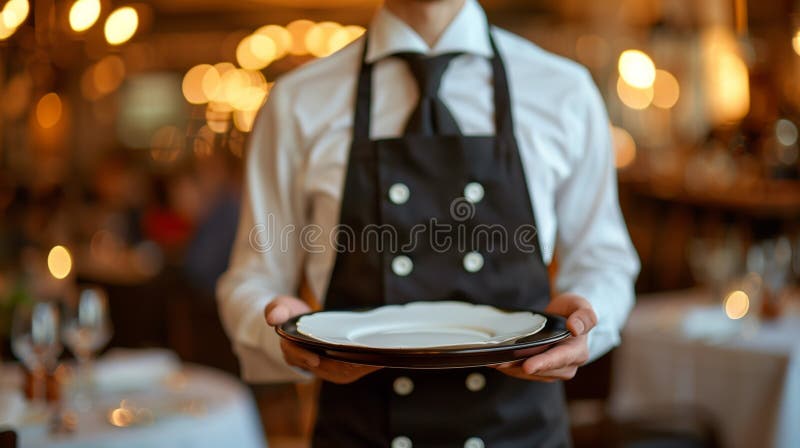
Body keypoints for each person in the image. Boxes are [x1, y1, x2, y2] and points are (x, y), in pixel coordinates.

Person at [217, 0, 640, 446]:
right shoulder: (297, 102)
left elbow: (604, 260)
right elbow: (251, 280)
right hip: (361, 431)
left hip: (519, 431)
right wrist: (289, 336)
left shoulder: (563, 90)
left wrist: (586, 324)